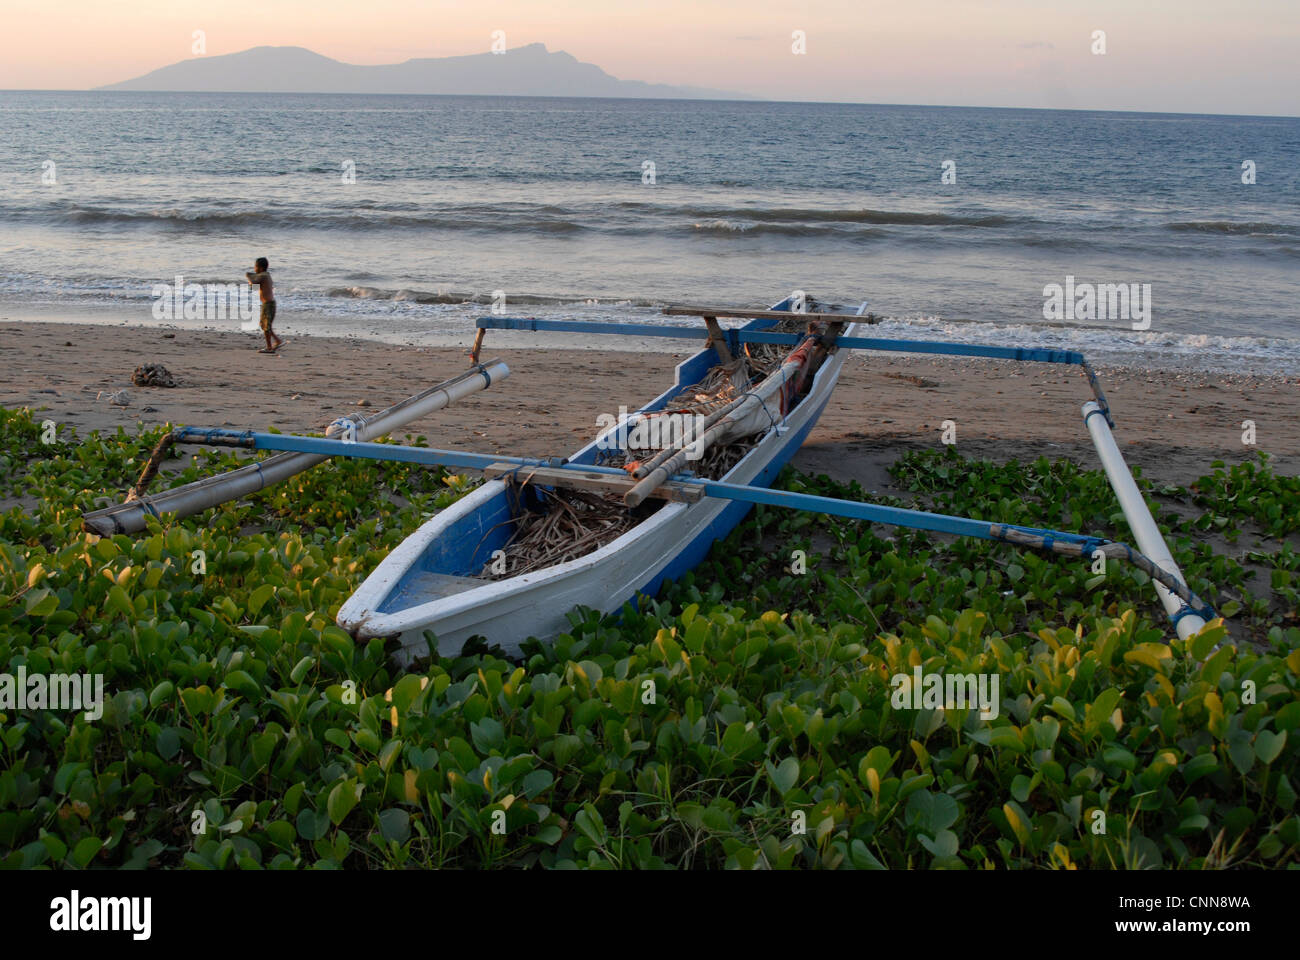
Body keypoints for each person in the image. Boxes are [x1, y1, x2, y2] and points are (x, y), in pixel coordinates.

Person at [245, 257, 283, 353]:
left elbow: (253, 282)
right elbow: (254, 288)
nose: (254, 269)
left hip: (268, 304)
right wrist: (251, 280)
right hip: (268, 304)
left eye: (255, 267)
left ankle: (270, 347)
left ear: (261, 268)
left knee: (266, 327)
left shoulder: (264, 275)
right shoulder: (265, 276)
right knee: (264, 325)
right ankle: (276, 341)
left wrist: (248, 276)